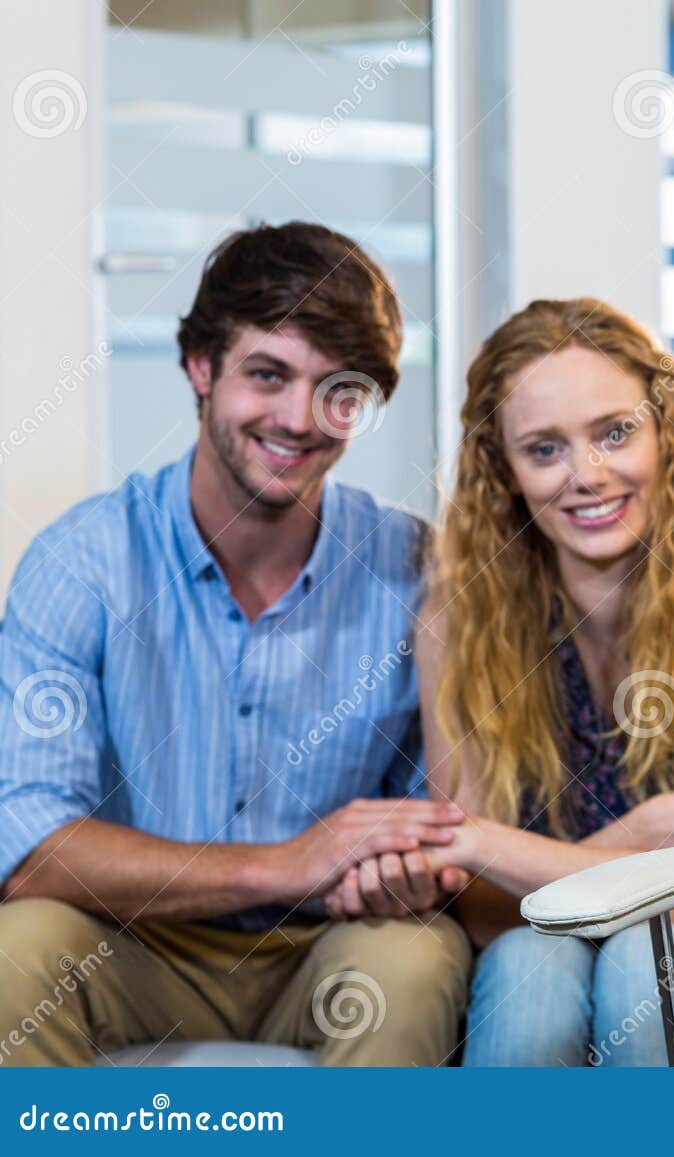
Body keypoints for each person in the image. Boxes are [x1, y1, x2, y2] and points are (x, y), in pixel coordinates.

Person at [0, 222, 470, 1066]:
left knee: (415, 957)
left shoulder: (417, 573)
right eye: (268, 375)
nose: (299, 418)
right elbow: (30, 847)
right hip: (130, 943)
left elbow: (443, 820)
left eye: (339, 391)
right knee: (14, 947)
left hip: (330, 946)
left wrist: (408, 871)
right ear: (201, 369)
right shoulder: (82, 563)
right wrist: (282, 865)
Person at [325, 296, 674, 1066]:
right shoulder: (456, 621)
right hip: (540, 952)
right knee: (530, 962)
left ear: (667, 433)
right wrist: (661, 824)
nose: (588, 475)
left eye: (615, 433)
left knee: (641, 957)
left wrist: (487, 841)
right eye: (545, 449)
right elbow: (486, 912)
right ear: (504, 469)